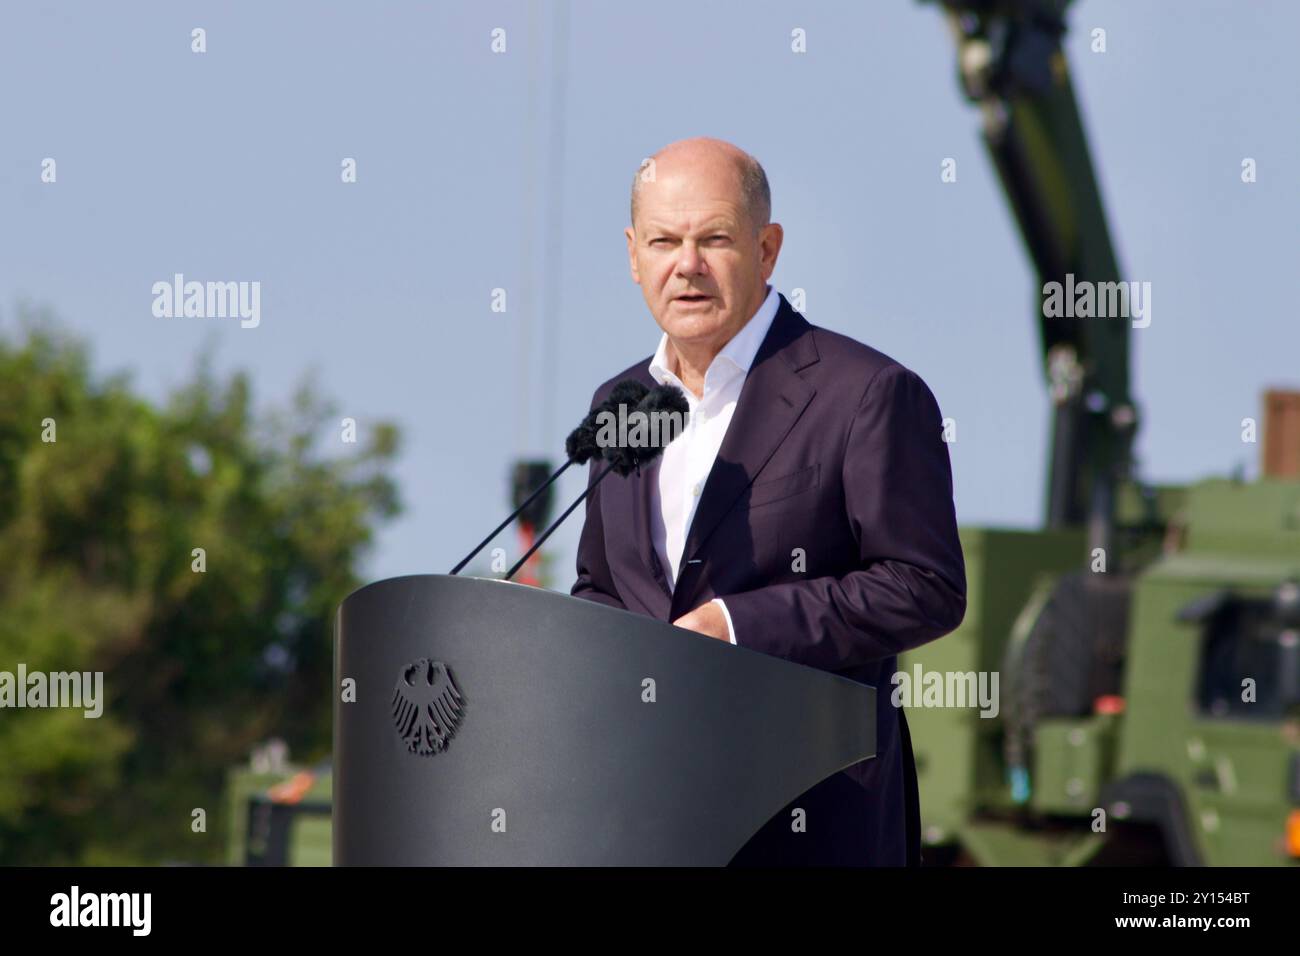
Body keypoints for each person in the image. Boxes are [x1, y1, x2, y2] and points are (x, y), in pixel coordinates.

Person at [571, 136, 966, 865]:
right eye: (663, 241)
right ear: (633, 254)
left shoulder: (866, 394)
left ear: (768, 248)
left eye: (714, 239)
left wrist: (735, 625)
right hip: (644, 822)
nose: (685, 265)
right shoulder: (621, 404)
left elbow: (926, 587)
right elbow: (603, 587)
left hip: (808, 823)